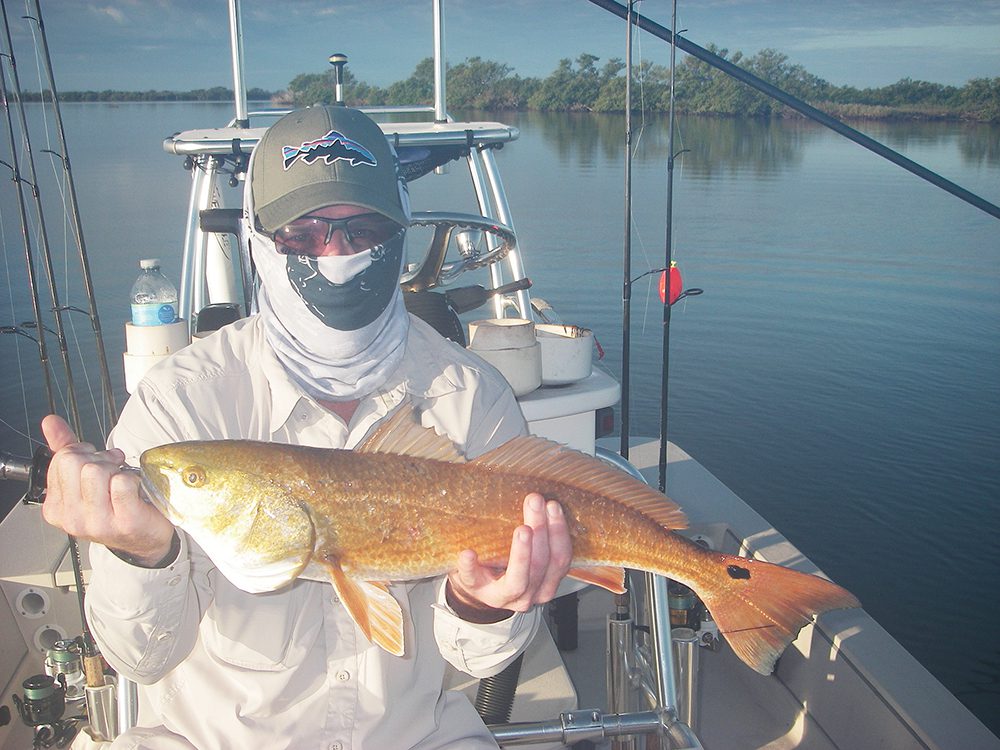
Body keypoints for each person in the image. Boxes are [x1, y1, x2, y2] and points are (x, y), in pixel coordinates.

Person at [41, 105, 572, 749]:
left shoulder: (471, 397)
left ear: (400, 234)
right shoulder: (180, 402)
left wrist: (482, 603)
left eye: (363, 229)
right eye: (303, 232)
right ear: (256, 240)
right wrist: (142, 553)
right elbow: (139, 659)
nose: (337, 255)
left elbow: (477, 662)